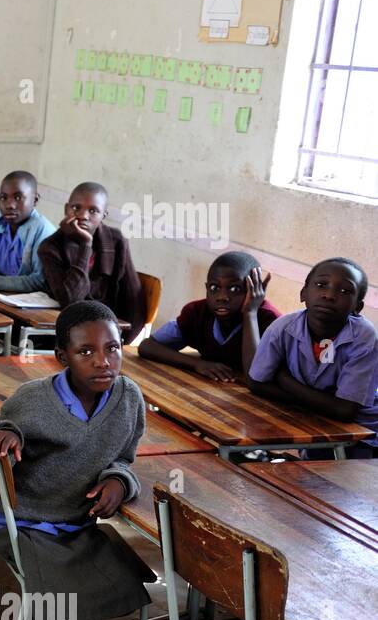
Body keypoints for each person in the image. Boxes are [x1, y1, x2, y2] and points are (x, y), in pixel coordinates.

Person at [0, 300, 154, 620]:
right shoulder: (33, 398)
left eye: (112, 348)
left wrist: (118, 482)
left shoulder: (129, 400)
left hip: (76, 521)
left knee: (123, 581)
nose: (102, 361)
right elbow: (5, 427)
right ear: (62, 356)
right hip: (22, 519)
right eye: (86, 352)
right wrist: (8, 434)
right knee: (60, 593)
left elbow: (125, 458)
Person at [248, 258, 378, 459]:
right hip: (310, 422)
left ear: (357, 307)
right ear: (303, 294)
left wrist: (283, 378)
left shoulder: (364, 337)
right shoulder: (282, 328)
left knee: (345, 480)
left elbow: (345, 410)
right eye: (321, 285)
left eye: (345, 291)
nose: (329, 295)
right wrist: (322, 404)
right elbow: (256, 383)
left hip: (363, 432)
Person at [138, 251, 278, 379]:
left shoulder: (270, 322)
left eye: (235, 289)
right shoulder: (197, 313)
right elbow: (147, 346)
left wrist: (250, 313)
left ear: (255, 291)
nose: (222, 297)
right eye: (214, 288)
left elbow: (254, 376)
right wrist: (197, 364)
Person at [38, 182, 146, 335]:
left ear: (104, 215)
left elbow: (133, 301)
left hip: (109, 330)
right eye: (76, 208)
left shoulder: (116, 241)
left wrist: (121, 344)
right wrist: (85, 245)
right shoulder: (50, 247)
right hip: (68, 330)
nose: (82, 216)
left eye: (93, 211)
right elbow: (71, 301)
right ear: (66, 209)